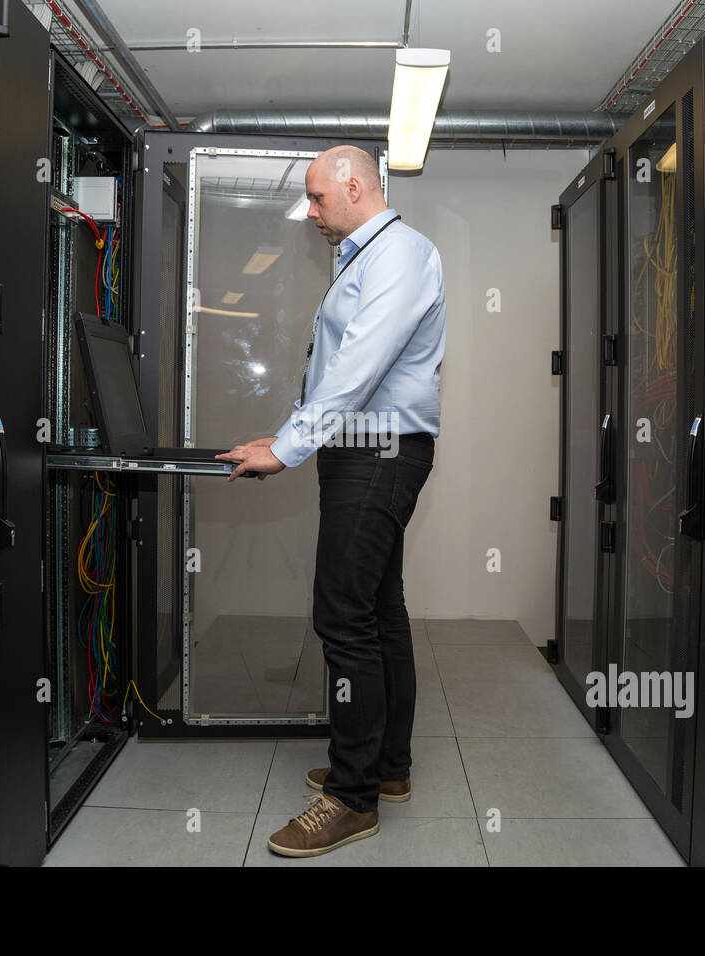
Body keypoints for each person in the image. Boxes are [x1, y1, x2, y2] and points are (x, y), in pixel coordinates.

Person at [217, 145, 446, 857]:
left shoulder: (399, 255)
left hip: (380, 449)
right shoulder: (362, 257)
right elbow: (333, 373)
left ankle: (352, 798)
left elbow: (357, 368)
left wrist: (287, 446)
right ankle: (387, 769)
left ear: (353, 186)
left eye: (317, 198)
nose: (310, 212)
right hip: (362, 446)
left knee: (342, 617)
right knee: (378, 611)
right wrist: (289, 432)